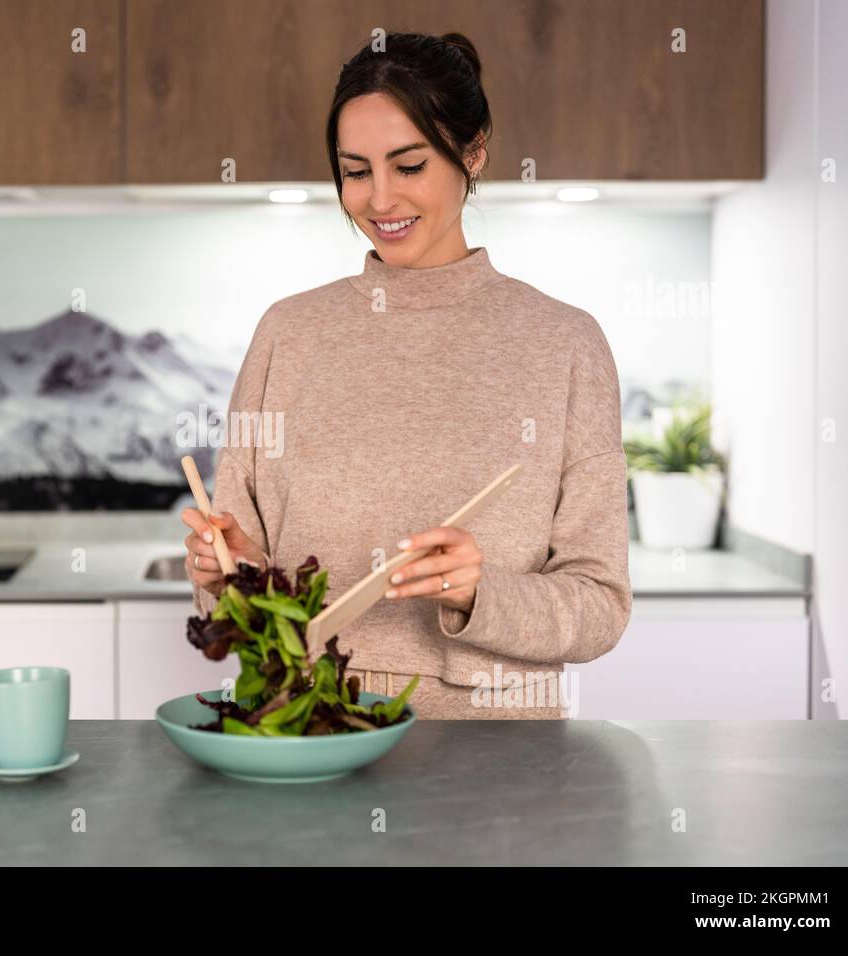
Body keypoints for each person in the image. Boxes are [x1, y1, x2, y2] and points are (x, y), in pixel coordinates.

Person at [182, 32, 631, 719]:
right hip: (310, 739)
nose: (379, 199)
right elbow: (243, 613)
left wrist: (481, 594)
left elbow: (601, 606)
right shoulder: (287, 334)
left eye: (409, 164)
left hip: (495, 763)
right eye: (355, 171)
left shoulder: (566, 344)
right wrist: (233, 576)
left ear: (473, 152)